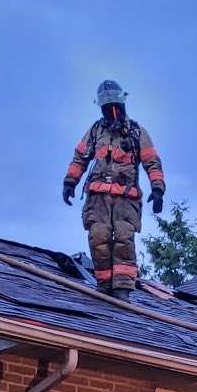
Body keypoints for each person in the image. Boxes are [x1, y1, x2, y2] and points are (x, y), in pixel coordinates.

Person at [62, 79, 165, 294]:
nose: (113, 113)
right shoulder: (95, 131)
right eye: (109, 109)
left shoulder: (137, 132)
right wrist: (70, 182)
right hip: (98, 200)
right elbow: (80, 157)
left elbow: (151, 161)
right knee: (98, 238)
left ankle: (122, 289)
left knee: (124, 241)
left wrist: (157, 189)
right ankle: (104, 287)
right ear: (102, 108)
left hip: (126, 200)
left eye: (116, 107)